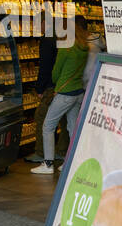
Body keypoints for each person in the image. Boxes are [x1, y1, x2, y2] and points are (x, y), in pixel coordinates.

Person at [33, 15, 90, 175]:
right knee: (72, 128)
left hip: (64, 93)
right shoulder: (83, 48)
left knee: (48, 126)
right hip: (78, 92)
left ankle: (48, 164)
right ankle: (71, 162)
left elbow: (55, 73)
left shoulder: (65, 48)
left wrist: (56, 81)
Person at [25, 31, 59, 164]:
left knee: (42, 117)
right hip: (62, 86)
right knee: (63, 121)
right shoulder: (61, 37)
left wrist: (39, 88)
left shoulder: (47, 39)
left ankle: (42, 153)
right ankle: (61, 151)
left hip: (51, 86)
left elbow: (45, 66)